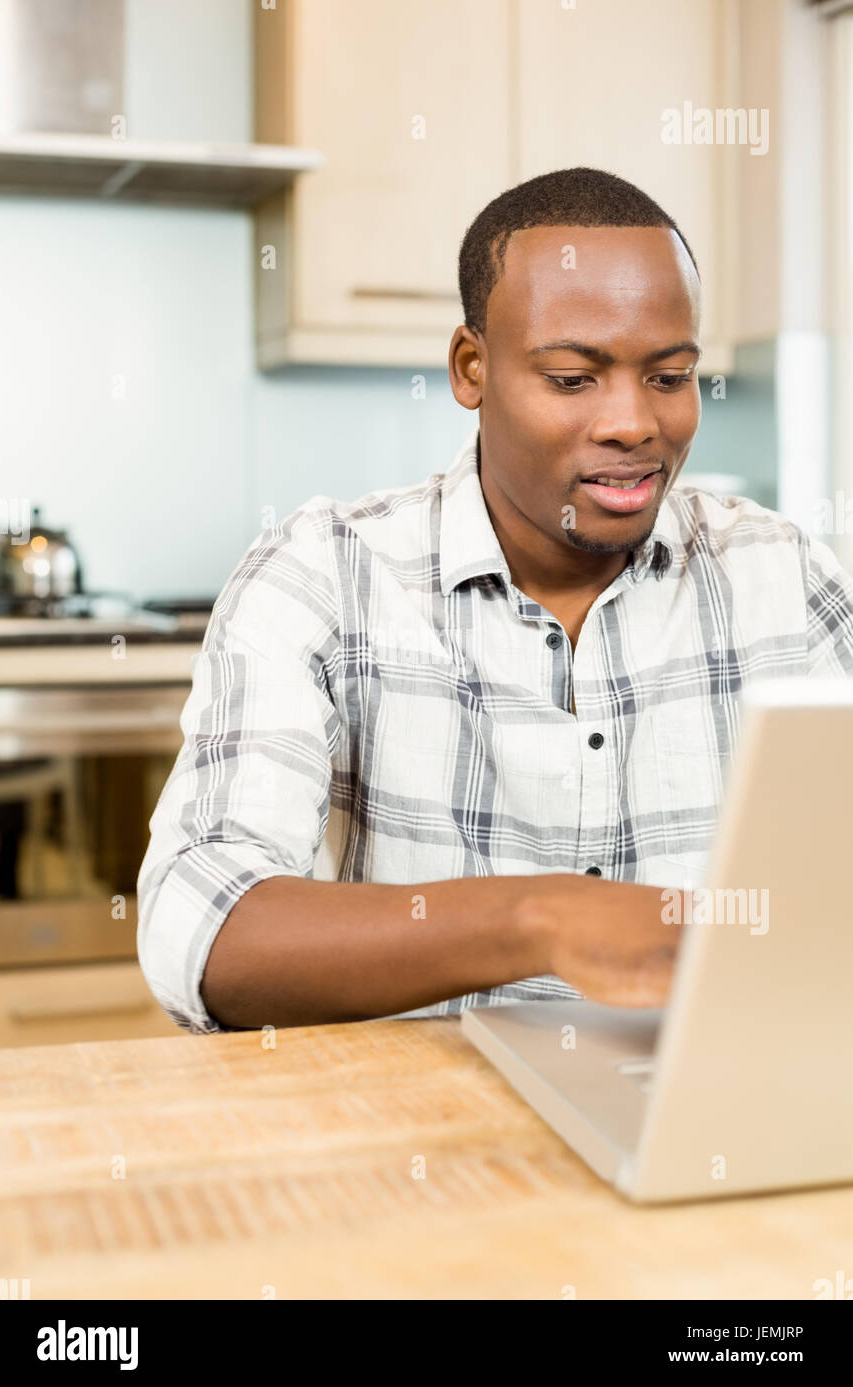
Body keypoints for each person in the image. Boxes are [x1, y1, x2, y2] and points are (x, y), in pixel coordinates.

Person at [137, 167, 853, 1033]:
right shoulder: (325, 573)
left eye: (669, 377)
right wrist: (540, 920)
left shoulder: (783, 576)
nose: (634, 422)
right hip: (421, 1139)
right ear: (472, 368)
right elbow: (201, 925)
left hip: (718, 1113)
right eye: (572, 379)